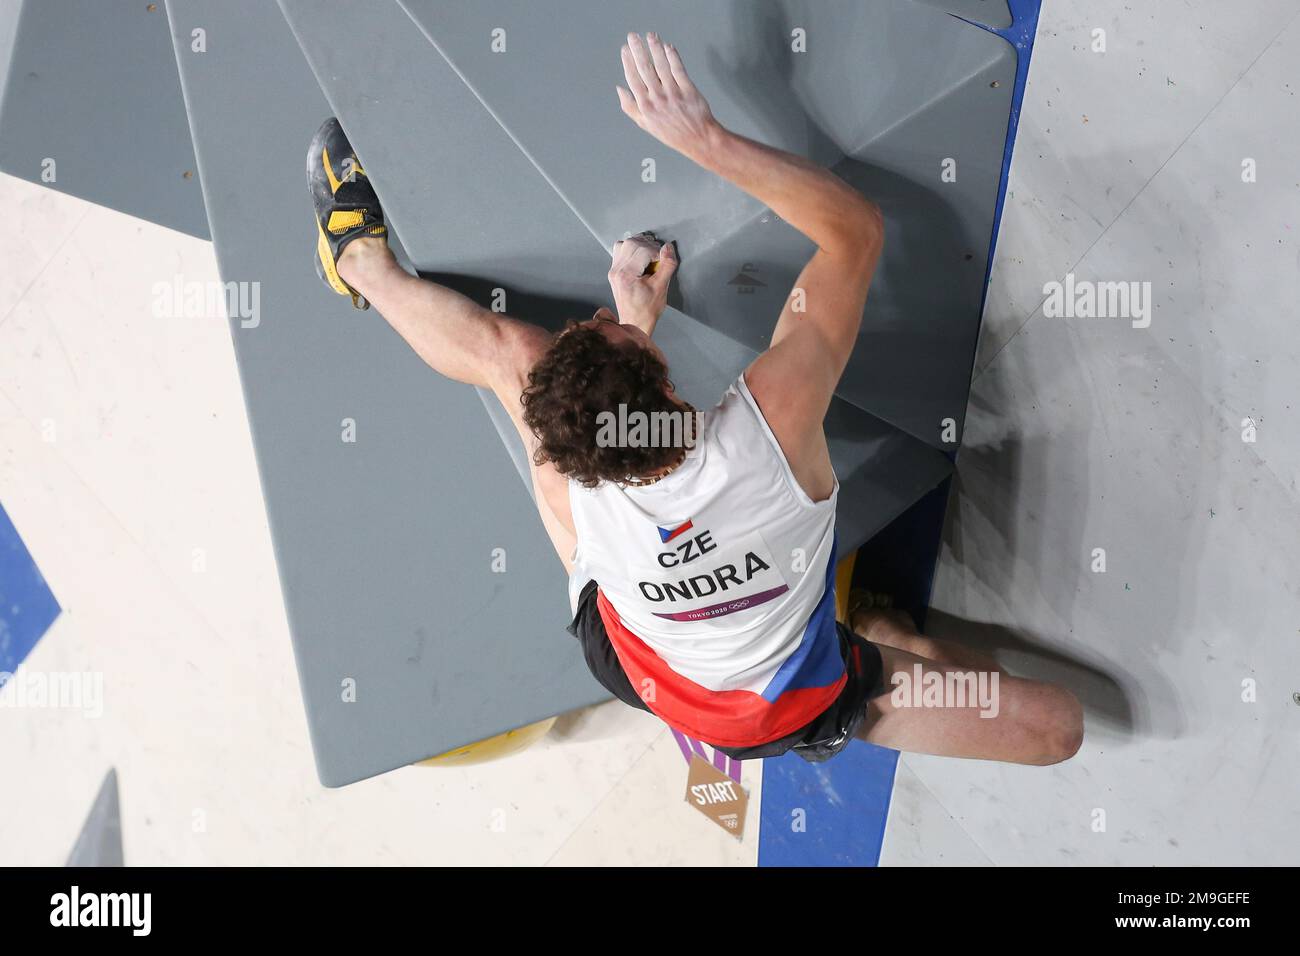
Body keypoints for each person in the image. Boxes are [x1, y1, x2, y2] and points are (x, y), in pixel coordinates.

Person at [306, 32, 1083, 765]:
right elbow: (853, 232)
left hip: (636, 656)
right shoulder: (773, 423)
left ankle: (360, 264)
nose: (604, 314)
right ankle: (873, 633)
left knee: (509, 357)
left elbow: (553, 384)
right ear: (667, 382)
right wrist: (705, 141)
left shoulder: (570, 484)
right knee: (1057, 730)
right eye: (615, 326)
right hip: (792, 699)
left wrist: (632, 326)